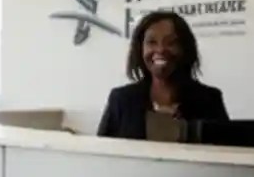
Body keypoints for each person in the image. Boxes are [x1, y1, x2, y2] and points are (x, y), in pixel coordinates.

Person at [97, 11, 228, 140]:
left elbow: (226, 155)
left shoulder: (209, 100)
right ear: (140, 49)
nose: (160, 49)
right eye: (151, 42)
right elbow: (101, 157)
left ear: (184, 48)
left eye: (171, 42)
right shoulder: (121, 100)